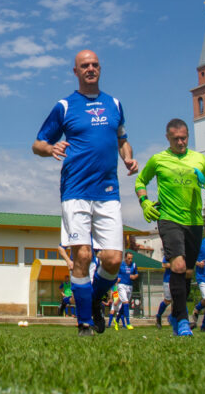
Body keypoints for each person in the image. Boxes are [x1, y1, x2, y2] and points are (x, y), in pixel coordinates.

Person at [33, 49, 138, 336]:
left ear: (100, 69)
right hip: (75, 190)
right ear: (75, 71)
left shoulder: (114, 104)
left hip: (108, 191)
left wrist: (128, 156)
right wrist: (51, 147)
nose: (90, 69)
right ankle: (84, 324)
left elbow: (123, 140)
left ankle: (92, 301)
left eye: (94, 65)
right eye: (84, 66)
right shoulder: (64, 106)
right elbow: (38, 143)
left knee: (113, 259)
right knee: (82, 255)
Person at [134, 118, 205, 337]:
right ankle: (182, 320)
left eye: (184, 138)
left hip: (194, 222)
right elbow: (140, 182)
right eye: (176, 139)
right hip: (169, 219)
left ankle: (175, 315)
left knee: (188, 272)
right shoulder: (158, 159)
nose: (181, 142)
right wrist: (145, 202)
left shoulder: (200, 160)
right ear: (168, 138)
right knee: (179, 266)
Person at [111, 251, 138, 330]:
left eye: (131, 258)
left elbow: (136, 274)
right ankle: (128, 323)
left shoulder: (134, 265)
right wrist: (116, 282)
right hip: (121, 285)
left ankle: (116, 320)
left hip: (129, 286)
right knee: (125, 302)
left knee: (124, 305)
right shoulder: (120, 265)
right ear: (125, 258)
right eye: (128, 258)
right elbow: (117, 275)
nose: (130, 260)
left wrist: (134, 276)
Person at [154, 258, 171, 329]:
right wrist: (174, 265)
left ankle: (176, 319)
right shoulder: (169, 253)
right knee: (167, 301)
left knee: (179, 300)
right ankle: (158, 316)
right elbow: (163, 264)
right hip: (168, 280)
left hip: (178, 279)